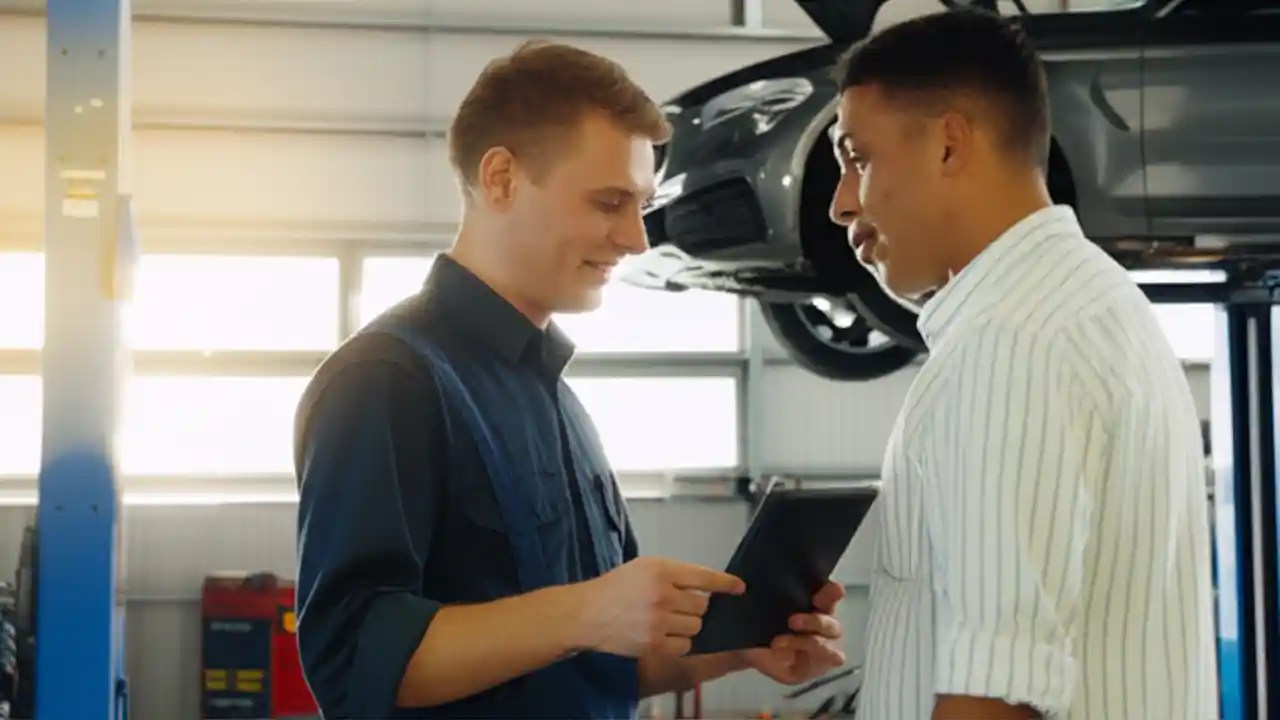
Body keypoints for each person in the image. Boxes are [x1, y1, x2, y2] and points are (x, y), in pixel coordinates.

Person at [292, 40, 847, 719]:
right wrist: (582, 611)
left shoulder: (558, 401)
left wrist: (743, 646)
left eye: (640, 205)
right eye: (609, 201)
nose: (636, 239)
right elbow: (352, 664)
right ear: (500, 179)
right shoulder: (387, 381)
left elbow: (597, 663)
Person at [825, 10, 1217, 720]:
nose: (840, 202)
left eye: (857, 159)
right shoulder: (1095, 302)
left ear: (948, 145)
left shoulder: (1010, 341)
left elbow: (999, 691)